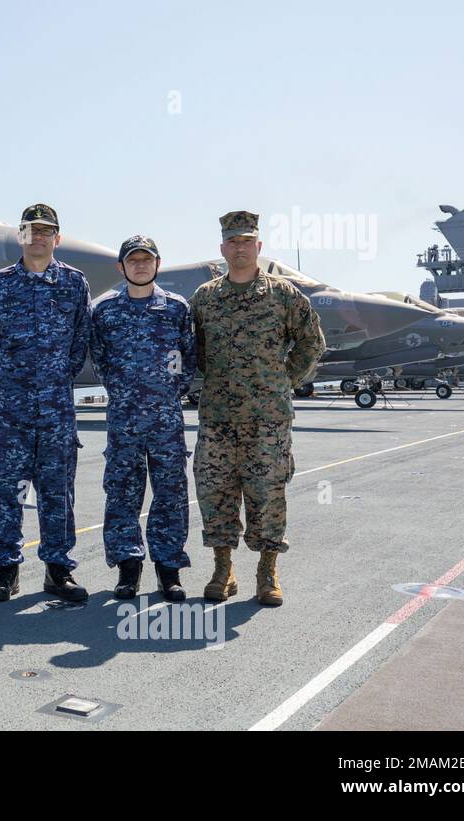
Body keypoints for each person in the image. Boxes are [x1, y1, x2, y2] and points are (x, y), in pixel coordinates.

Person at [190, 211, 325, 606]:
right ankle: (222, 569)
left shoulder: (283, 294)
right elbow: (195, 350)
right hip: (217, 418)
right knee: (216, 492)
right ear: (222, 248)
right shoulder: (206, 298)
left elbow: (312, 342)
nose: (240, 247)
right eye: (233, 241)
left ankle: (267, 573)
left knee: (268, 494)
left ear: (259, 247)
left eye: (247, 241)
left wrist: (285, 381)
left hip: (268, 419)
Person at [0, 204, 92, 602]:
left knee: (58, 491)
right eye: (30, 230)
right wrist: (9, 379)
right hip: (11, 409)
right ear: (20, 237)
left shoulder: (75, 284)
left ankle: (58, 571)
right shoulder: (0, 284)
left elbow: (80, 343)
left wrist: (54, 377)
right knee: (4, 489)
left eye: (46, 231)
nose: (38, 237)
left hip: (57, 407)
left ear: (57, 238)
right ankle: (5, 570)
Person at [89, 235, 195, 600]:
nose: (139, 265)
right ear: (121, 267)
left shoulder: (177, 309)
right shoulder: (104, 311)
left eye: (146, 260)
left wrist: (166, 394)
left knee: (171, 494)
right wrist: (125, 392)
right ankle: (128, 569)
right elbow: (100, 359)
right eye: (132, 260)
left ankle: (169, 571)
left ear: (157, 264)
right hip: (123, 421)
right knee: (121, 493)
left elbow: (189, 359)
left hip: (166, 421)